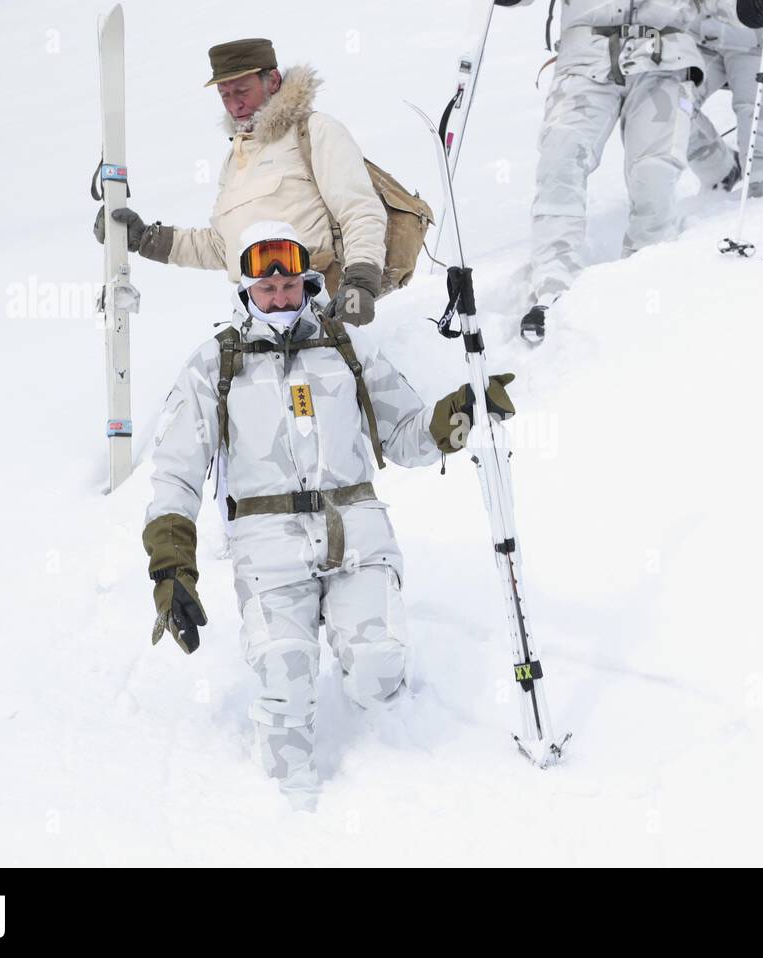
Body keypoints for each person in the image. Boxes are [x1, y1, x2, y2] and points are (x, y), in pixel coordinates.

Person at [140, 220, 517, 810]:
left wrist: (459, 413)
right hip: (268, 543)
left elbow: (404, 433)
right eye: (266, 286)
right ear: (245, 288)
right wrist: (171, 567)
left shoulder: (347, 348)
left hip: (355, 529)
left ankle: (384, 771)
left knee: (378, 674)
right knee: (284, 692)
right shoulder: (216, 363)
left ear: (306, 279)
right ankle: (290, 819)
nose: (279, 295)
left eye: (288, 282)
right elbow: (175, 472)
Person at [93, 39, 387, 325]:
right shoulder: (236, 159)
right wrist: (147, 238)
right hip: (258, 318)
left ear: (273, 81)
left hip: (322, 309)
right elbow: (221, 247)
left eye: (242, 91)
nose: (234, 105)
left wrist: (360, 283)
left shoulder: (315, 131)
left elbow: (360, 211)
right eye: (225, 95)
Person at [495, 0, 709, 344]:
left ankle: (646, 283)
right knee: (562, 156)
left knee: (653, 173)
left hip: (665, 60)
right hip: (585, 59)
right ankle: (553, 288)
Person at [688, 0, 763, 198]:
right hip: (699, 35)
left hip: (757, 37)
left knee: (758, 132)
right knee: (665, 107)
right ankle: (721, 169)